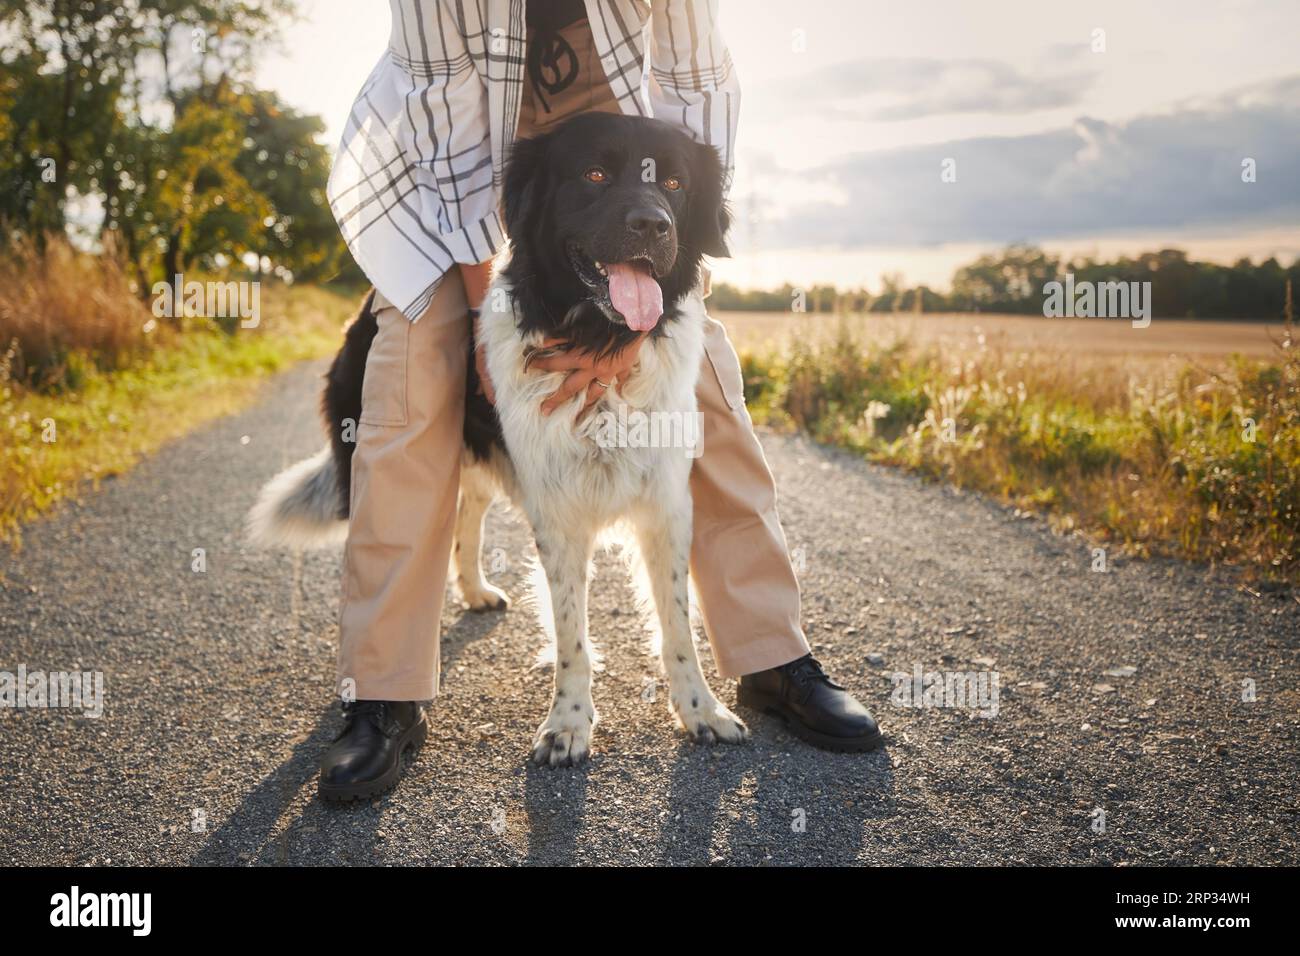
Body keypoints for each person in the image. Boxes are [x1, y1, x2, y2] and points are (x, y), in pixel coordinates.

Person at [319, 0, 881, 801]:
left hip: (615, 159)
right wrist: (491, 321)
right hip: (443, 176)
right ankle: (383, 692)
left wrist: (646, 319)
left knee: (702, 383)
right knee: (414, 375)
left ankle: (768, 657)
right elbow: (443, 131)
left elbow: (698, 87)